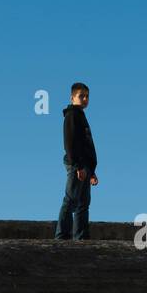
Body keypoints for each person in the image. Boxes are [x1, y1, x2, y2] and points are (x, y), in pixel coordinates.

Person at [55, 82, 98, 241]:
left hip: (85, 166)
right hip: (76, 165)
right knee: (71, 199)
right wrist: (78, 166)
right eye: (81, 96)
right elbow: (70, 143)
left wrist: (92, 171)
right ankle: (62, 236)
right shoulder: (72, 115)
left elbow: (87, 146)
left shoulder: (80, 115)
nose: (85, 99)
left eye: (87, 96)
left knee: (83, 203)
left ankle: (81, 236)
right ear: (72, 97)